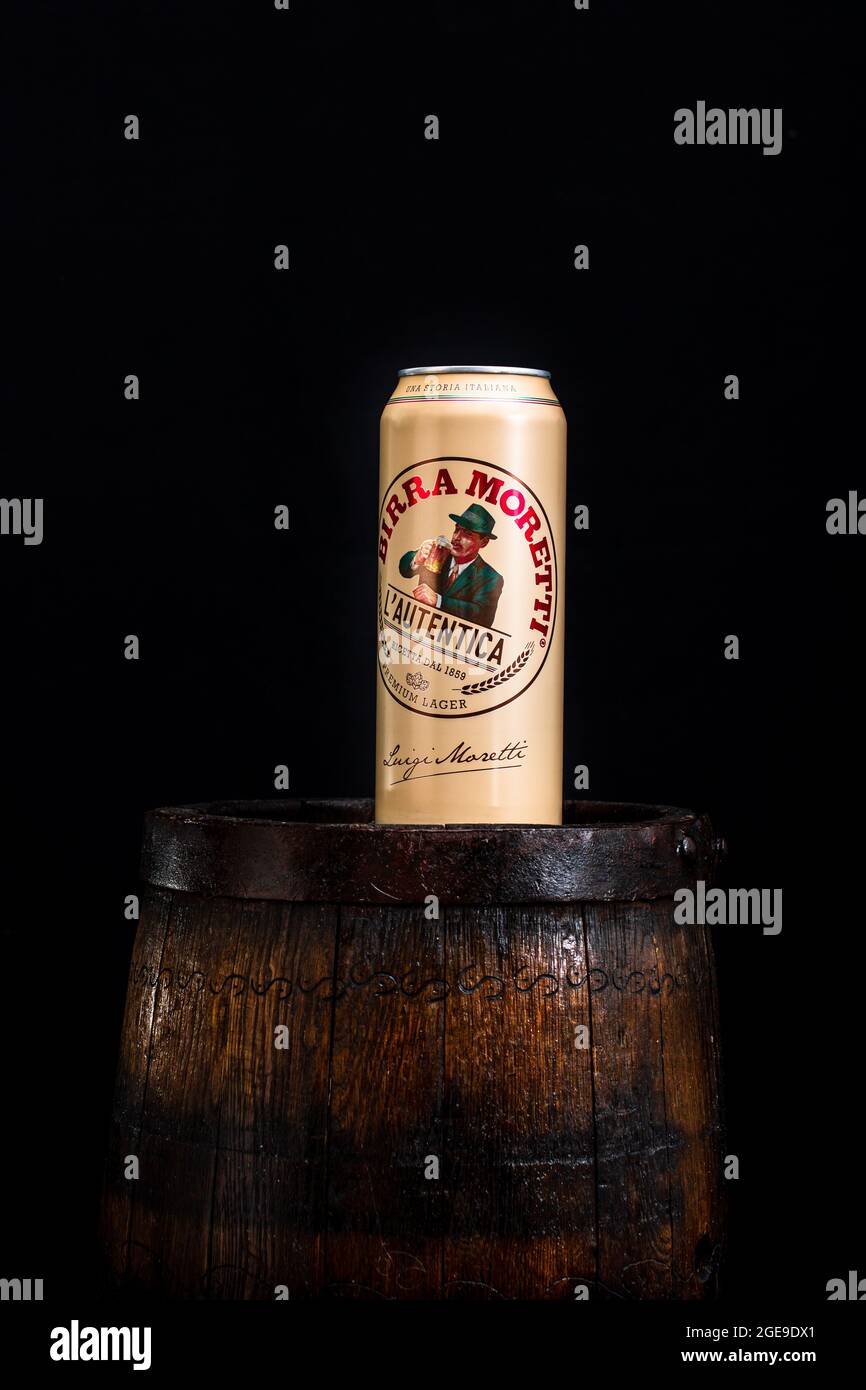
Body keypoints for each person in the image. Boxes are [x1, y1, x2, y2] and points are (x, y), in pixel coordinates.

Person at [398, 503, 504, 629]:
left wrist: (438, 601)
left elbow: (483, 616)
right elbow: (404, 569)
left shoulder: (491, 577)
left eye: (467, 534)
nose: (456, 538)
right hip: (416, 631)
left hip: (456, 639)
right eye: (456, 530)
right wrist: (417, 558)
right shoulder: (438, 552)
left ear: (484, 542)